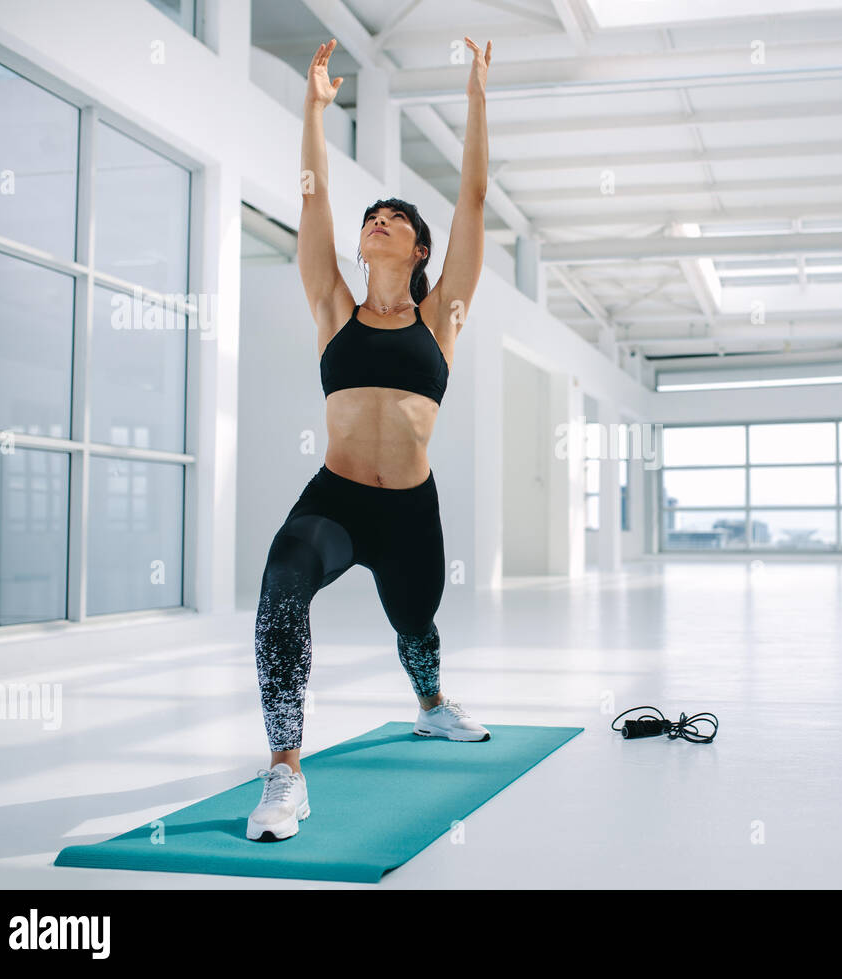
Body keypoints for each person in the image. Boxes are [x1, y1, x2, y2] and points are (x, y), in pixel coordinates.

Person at [247, 36, 493, 842]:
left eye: (396, 221)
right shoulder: (332, 306)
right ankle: (284, 770)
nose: (379, 222)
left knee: (416, 624)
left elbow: (475, 204)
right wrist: (315, 111)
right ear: (361, 246)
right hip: (337, 500)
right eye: (372, 219)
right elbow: (313, 201)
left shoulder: (442, 315)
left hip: (409, 512)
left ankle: (429, 706)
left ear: (419, 250)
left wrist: (476, 101)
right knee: (283, 580)